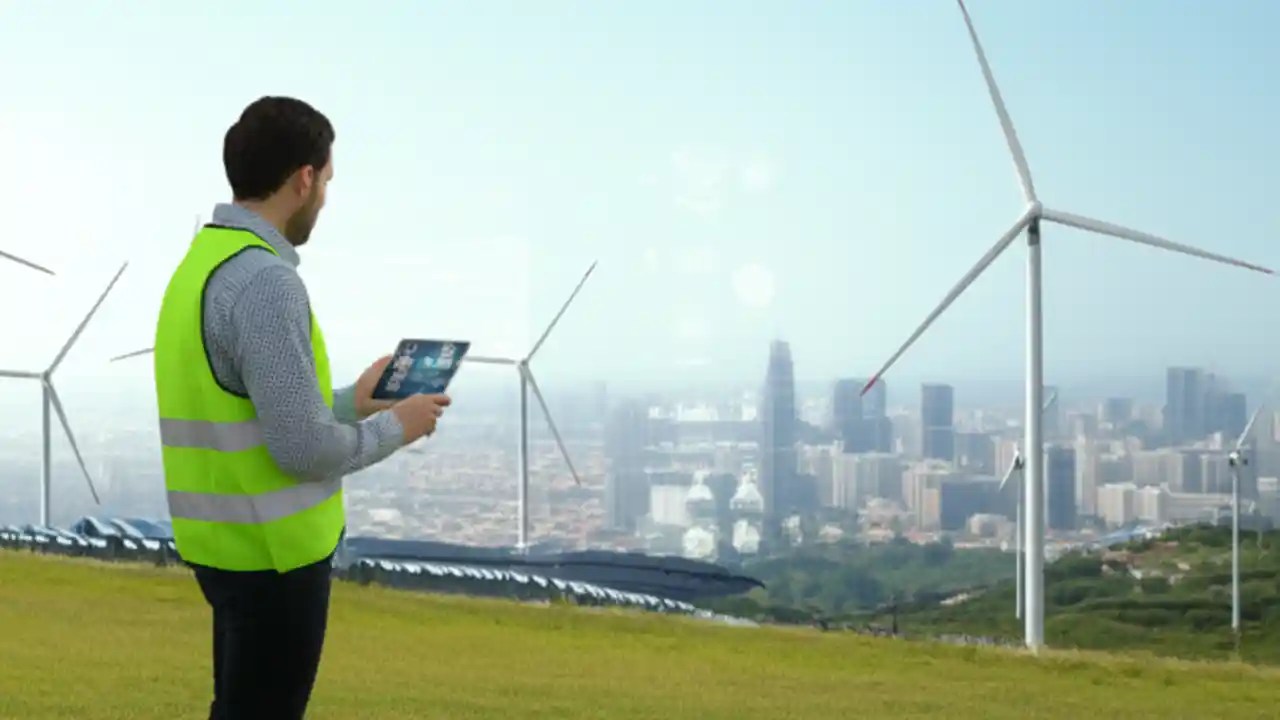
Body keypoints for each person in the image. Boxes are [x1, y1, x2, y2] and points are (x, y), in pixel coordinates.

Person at [151, 96, 451, 719]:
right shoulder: (265, 282)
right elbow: (303, 448)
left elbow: (247, 407)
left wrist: (353, 403)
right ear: (303, 178)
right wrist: (399, 425)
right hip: (275, 557)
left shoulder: (201, 265)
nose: (324, 202)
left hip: (223, 549)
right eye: (326, 182)